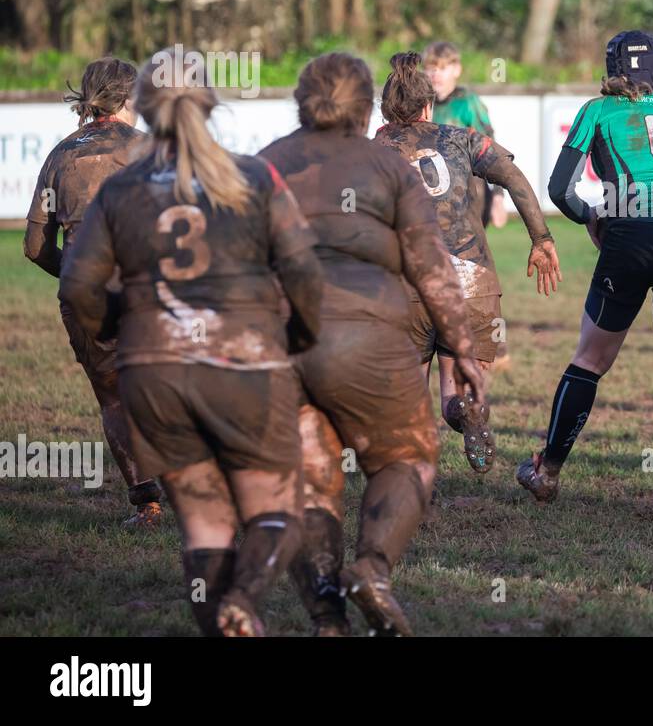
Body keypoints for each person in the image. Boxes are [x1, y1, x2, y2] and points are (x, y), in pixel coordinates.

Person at [59, 49, 324, 636]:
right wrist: (299, 337)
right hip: (243, 365)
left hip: (155, 375)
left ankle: (223, 618)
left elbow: (78, 285)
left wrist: (116, 325)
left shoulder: (121, 188)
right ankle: (245, 599)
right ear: (209, 102)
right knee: (278, 507)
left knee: (205, 527)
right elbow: (304, 273)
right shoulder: (253, 175)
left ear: (144, 107)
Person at [260, 52, 486, 637]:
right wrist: (462, 348)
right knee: (406, 457)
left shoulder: (264, 165)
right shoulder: (387, 167)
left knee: (312, 483)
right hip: (367, 337)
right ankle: (373, 570)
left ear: (301, 104)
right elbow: (432, 266)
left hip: (281, 344)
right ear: (365, 110)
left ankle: (326, 615)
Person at [517, 30, 653, 502]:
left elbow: (560, 189)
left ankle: (548, 470)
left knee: (591, 359)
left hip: (633, 237)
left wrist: (592, 216)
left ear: (610, 69)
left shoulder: (597, 109)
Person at [375, 51, 561, 473]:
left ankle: (408, 477)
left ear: (384, 111)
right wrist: (541, 239)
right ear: (428, 106)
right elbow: (513, 176)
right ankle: (467, 411)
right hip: (471, 281)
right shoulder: (462, 138)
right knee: (454, 395)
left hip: (407, 286)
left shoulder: (371, 152)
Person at [24, 58, 165, 528]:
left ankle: (147, 505)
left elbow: (34, 247)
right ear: (130, 98)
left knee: (114, 398)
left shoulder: (60, 155)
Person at [423, 41, 508, 229]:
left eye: (442, 68)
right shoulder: (421, 104)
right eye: (430, 68)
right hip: (434, 191)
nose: (435, 74)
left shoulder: (468, 102)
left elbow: (489, 148)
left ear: (457, 70)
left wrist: (498, 196)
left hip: (469, 191)